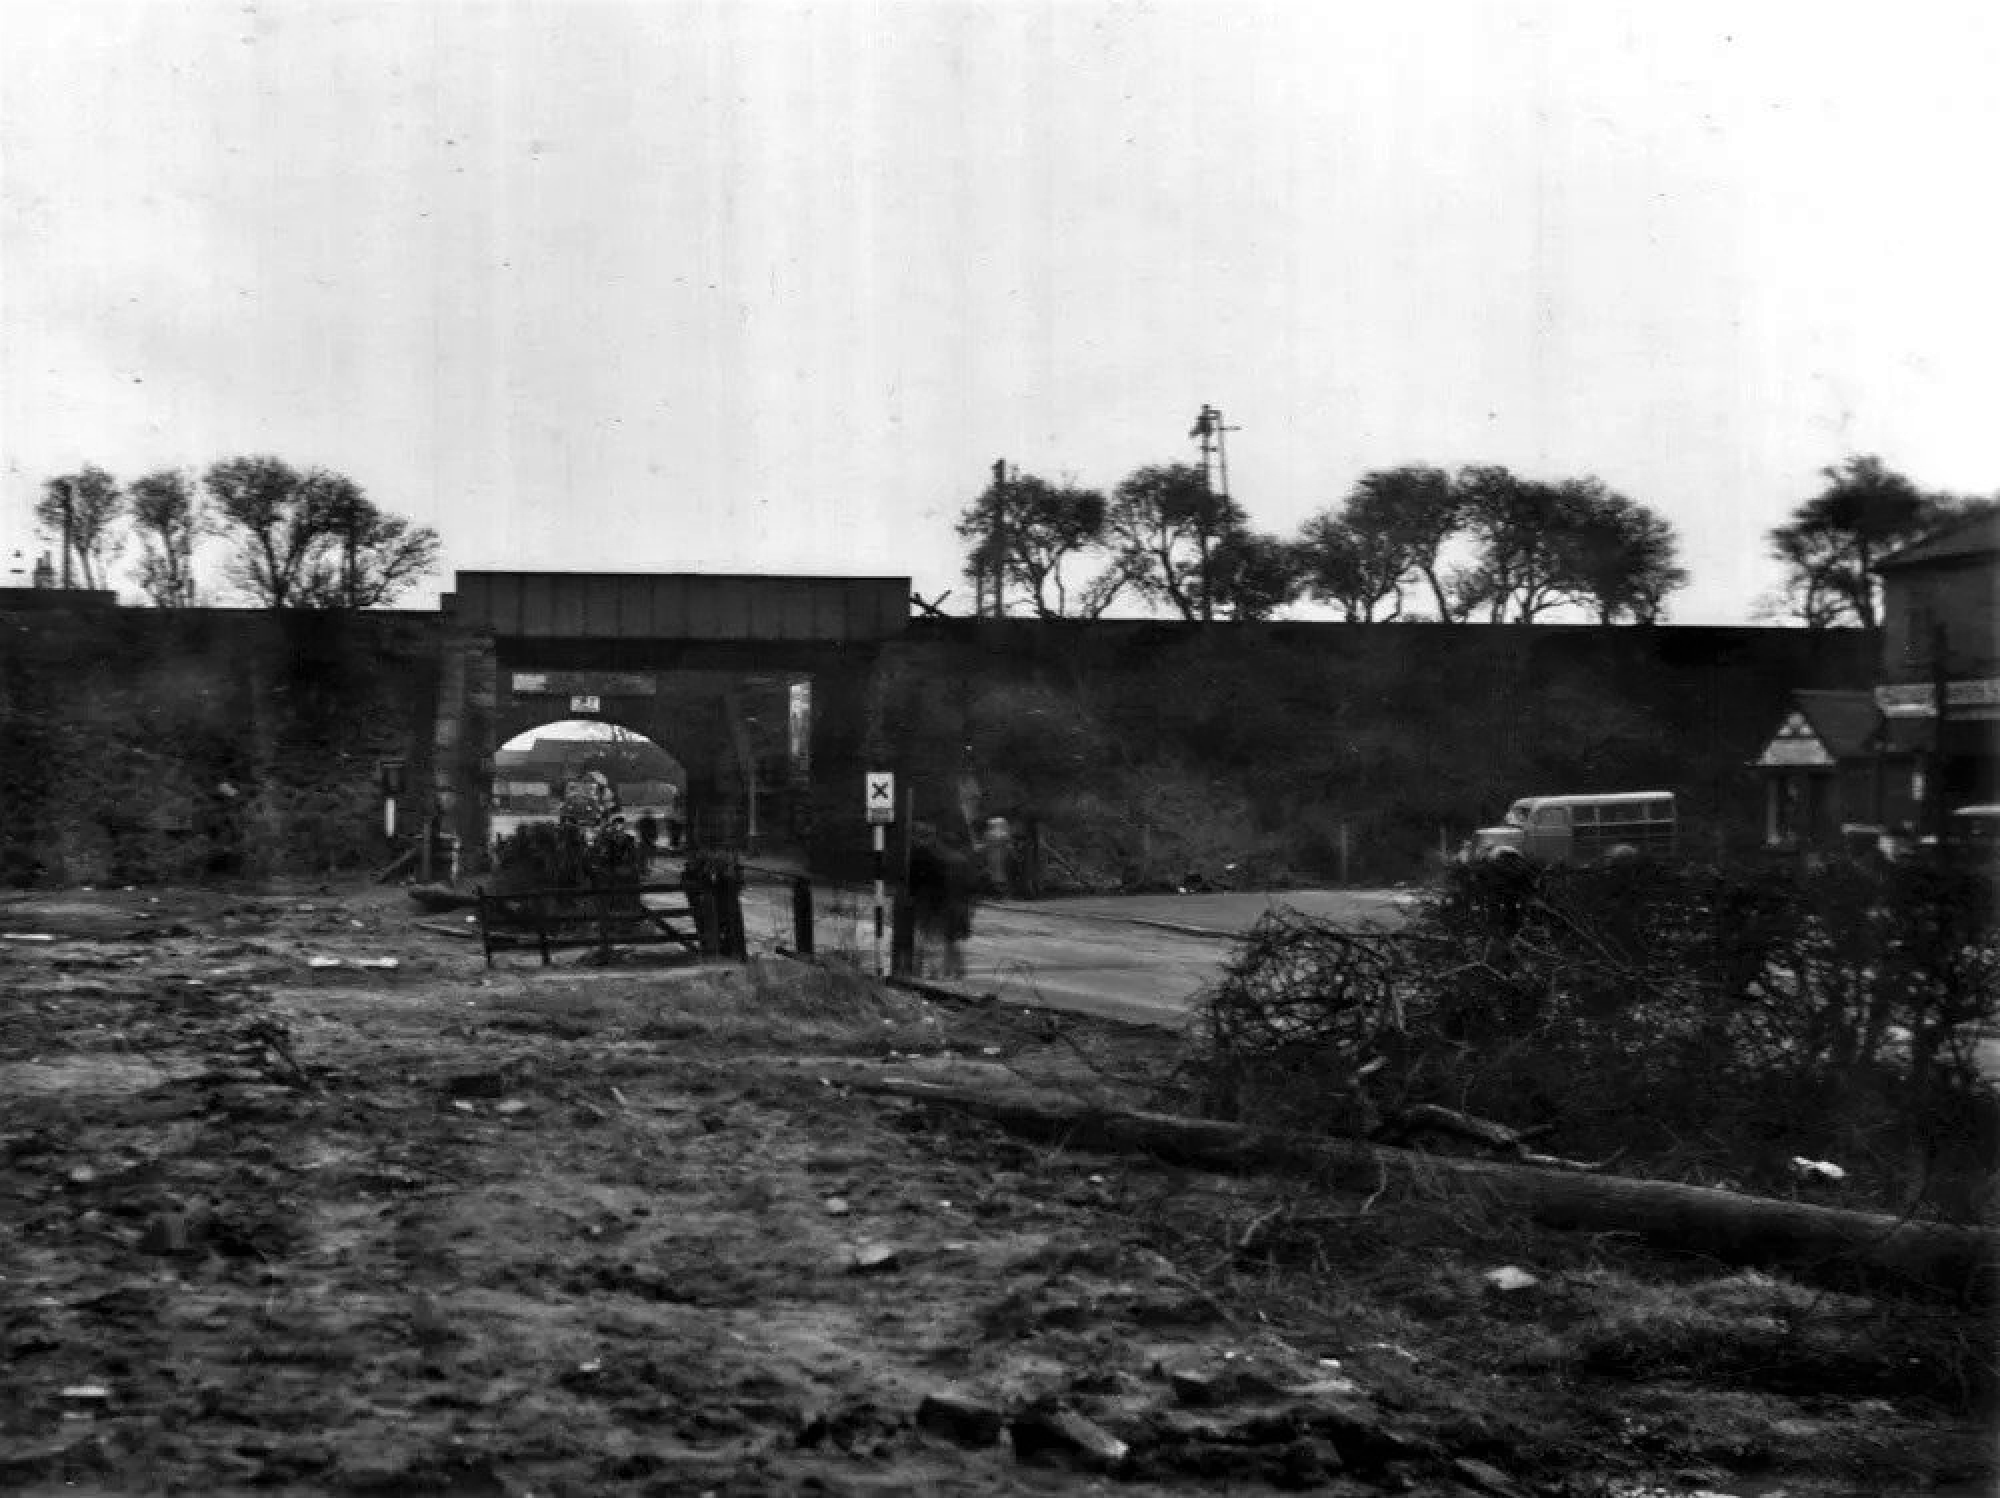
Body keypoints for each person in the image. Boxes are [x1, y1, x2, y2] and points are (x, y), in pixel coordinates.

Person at [907, 823, 976, 979]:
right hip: (957, 904)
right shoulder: (960, 860)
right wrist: (970, 907)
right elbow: (971, 887)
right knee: (950, 939)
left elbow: (921, 882)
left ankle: (929, 971)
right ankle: (954, 971)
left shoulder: (930, 856)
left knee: (927, 937)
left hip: (934, 903)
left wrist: (914, 897)